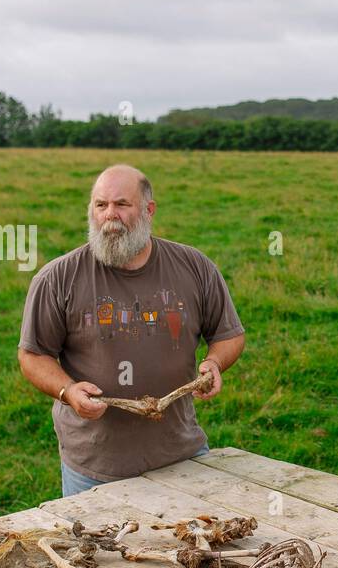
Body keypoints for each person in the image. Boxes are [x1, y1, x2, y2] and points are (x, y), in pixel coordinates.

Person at [17, 164, 245, 495]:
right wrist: (67, 391)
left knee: (196, 544)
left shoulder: (195, 267)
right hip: (94, 467)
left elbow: (228, 335)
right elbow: (33, 355)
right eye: (100, 205)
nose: (110, 215)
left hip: (181, 455)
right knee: (99, 547)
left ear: (148, 210)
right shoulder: (57, 278)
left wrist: (215, 363)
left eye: (122, 205)